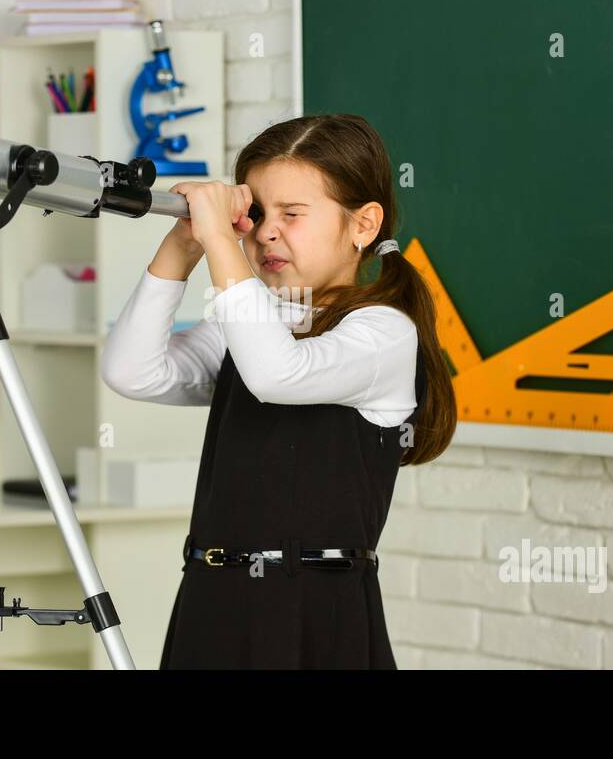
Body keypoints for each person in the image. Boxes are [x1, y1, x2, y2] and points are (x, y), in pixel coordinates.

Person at [100, 113, 457, 669]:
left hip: (315, 609)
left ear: (363, 225)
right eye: (259, 214)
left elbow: (278, 375)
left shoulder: (383, 332)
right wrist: (182, 248)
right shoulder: (251, 325)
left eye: (292, 214)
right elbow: (133, 371)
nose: (267, 232)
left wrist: (222, 239)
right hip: (211, 599)